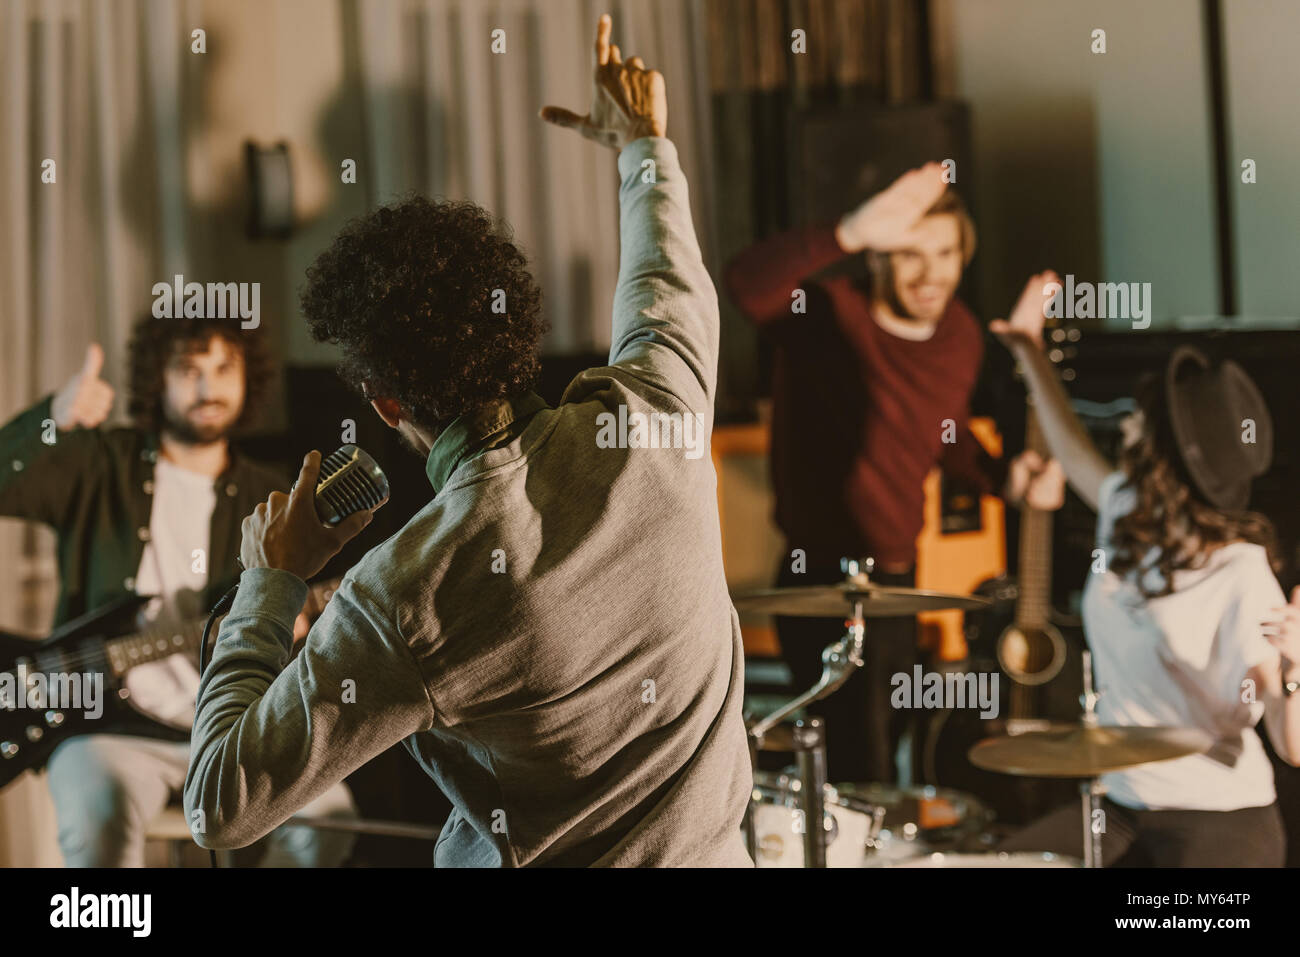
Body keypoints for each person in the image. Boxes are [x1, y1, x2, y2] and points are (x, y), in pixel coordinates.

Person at [183, 14, 753, 867]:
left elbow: (220, 806)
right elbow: (665, 280)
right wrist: (645, 147)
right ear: (518, 329)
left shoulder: (410, 590)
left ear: (383, 401)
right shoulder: (656, 417)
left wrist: (269, 583)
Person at [724, 164, 1065, 782]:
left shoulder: (959, 333)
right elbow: (746, 284)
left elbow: (945, 433)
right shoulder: (824, 314)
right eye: (908, 253)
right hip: (816, 579)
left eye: (944, 253)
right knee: (849, 765)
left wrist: (1003, 481)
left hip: (903, 582)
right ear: (879, 255)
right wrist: (848, 232)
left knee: (889, 759)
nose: (930, 273)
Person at [0, 316, 357, 867]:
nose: (208, 387)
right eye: (188, 370)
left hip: (231, 728)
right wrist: (52, 421)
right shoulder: (101, 463)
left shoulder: (272, 490)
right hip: (105, 731)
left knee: (329, 821)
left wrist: (291, 628)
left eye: (223, 369)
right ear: (157, 380)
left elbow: (287, 643)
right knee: (98, 825)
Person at [993, 275, 1300, 866]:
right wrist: (1026, 346)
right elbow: (1067, 439)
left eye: (1137, 419)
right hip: (1123, 804)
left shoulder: (1241, 574)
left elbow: (1290, 745)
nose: (1125, 425)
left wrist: (1292, 670)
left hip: (1220, 820)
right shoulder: (1127, 511)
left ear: (1159, 450)